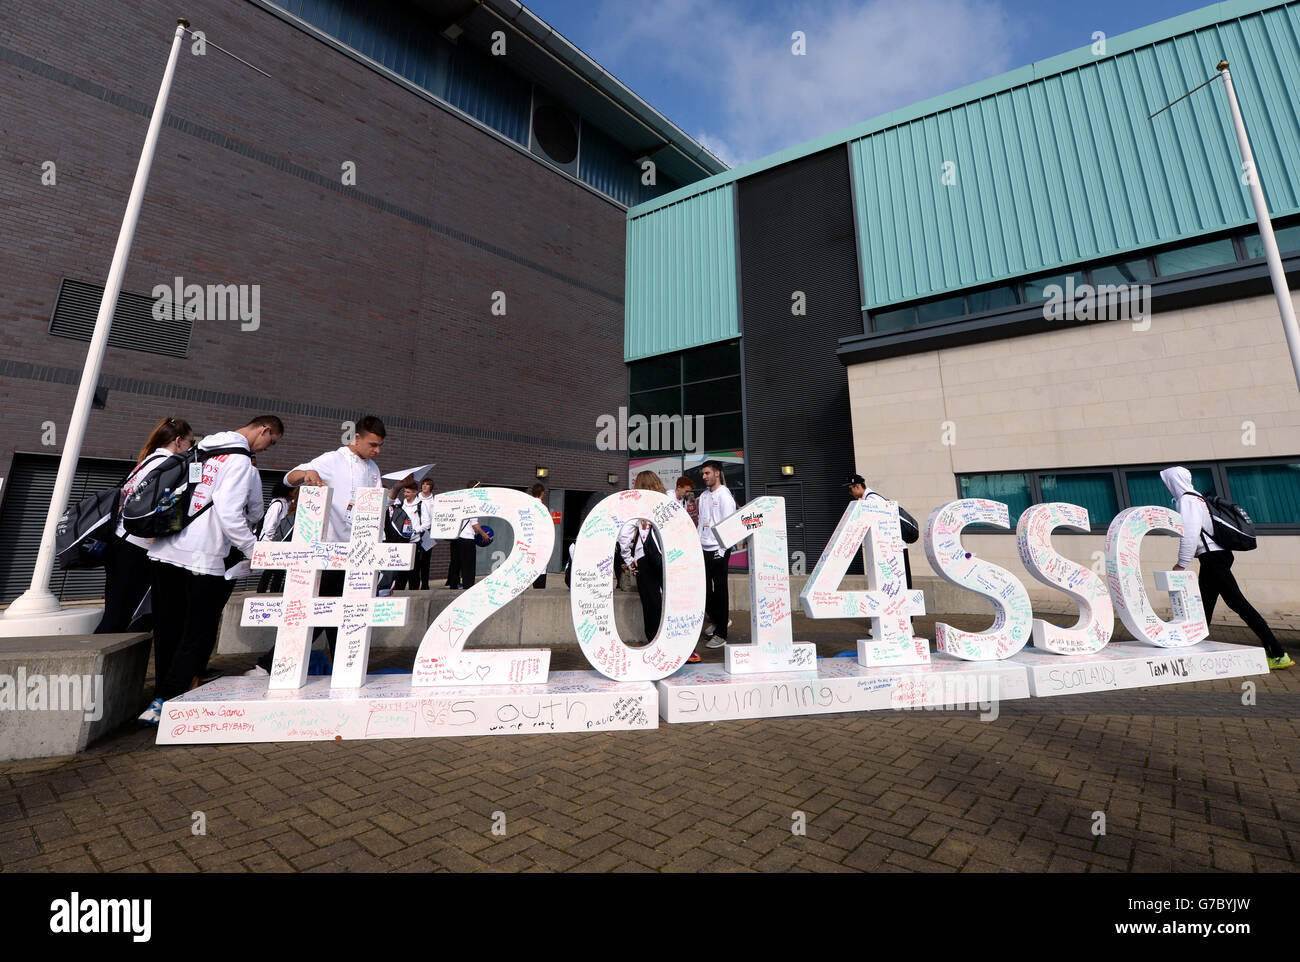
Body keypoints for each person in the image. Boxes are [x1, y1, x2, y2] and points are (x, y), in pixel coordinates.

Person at [139, 415, 282, 723]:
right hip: (203, 556)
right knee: (197, 632)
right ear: (265, 430)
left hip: (165, 549)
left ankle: (159, 698)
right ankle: (167, 702)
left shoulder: (202, 448)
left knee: (167, 629)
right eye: (272, 441)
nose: (269, 447)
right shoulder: (241, 462)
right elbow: (233, 512)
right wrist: (251, 548)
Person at [1162, 466, 1293, 670]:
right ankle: (1192, 644)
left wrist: (1181, 564)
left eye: (1165, 479)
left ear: (1173, 481)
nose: (1164, 484)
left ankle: (1277, 653)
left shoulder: (1187, 501)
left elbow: (1191, 534)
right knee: (1204, 605)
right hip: (1215, 557)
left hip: (1213, 558)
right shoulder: (1196, 498)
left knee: (1238, 604)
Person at [279, 415, 385, 664]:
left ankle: (343, 664)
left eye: (380, 445)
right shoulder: (332, 459)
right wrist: (308, 473)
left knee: (346, 614)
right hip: (328, 549)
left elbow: (377, 507)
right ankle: (274, 661)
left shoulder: (373, 469)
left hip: (358, 552)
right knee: (323, 611)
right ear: (356, 438)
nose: (377, 451)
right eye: (372, 444)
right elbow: (289, 477)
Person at [96, 417, 194, 634]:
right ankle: (95, 665)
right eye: (190, 442)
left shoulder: (147, 461)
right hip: (138, 545)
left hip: (119, 540)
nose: (191, 448)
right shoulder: (168, 465)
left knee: (117, 611)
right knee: (118, 617)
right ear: (178, 441)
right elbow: (167, 503)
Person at [619, 471, 670, 649]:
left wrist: (628, 559)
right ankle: (673, 638)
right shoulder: (666, 502)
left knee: (651, 602)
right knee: (670, 598)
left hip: (644, 558)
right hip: (667, 557)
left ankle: (654, 641)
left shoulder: (636, 505)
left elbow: (624, 536)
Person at [844, 473, 918, 588]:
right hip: (891, 548)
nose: (849, 493)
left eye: (850, 489)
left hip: (895, 548)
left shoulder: (872, 500)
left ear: (857, 486)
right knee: (898, 585)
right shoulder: (871, 499)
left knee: (903, 586)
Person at [697, 460, 737, 649]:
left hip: (719, 550)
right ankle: (719, 618)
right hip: (703, 548)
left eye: (707, 473)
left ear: (717, 473)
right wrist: (697, 544)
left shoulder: (725, 496)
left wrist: (722, 550)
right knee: (703, 591)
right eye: (703, 474)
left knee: (720, 592)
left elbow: (730, 526)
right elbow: (701, 523)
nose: (704, 477)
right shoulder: (704, 496)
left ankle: (721, 633)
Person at [445, 481, 490, 590]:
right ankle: (468, 587)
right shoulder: (472, 503)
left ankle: (453, 586)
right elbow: (474, 523)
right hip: (467, 539)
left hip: (456, 537)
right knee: (468, 566)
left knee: (455, 564)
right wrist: (484, 535)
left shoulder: (460, 502)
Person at [255, 481, 297, 594]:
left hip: (278, 542)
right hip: (271, 542)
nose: (295, 492)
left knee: (277, 572)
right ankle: (262, 593)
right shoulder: (278, 504)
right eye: (293, 490)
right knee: (270, 571)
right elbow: (269, 525)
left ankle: (273, 593)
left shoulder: (286, 504)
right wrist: (271, 540)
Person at [392, 481, 429, 590]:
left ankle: (414, 592)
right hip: (402, 541)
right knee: (401, 568)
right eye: (404, 492)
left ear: (415, 492)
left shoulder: (421, 505)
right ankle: (399, 590)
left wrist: (414, 531)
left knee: (414, 569)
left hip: (414, 541)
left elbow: (427, 523)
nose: (405, 494)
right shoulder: (402, 504)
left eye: (408, 492)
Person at [415, 477, 437, 590]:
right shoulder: (416, 498)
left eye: (427, 484)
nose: (424, 486)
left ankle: (425, 583)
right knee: (416, 559)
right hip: (416, 531)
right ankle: (415, 583)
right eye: (423, 484)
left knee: (426, 559)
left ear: (431, 487)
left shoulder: (435, 500)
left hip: (428, 532)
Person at [529, 482, 548, 588]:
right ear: (542, 493)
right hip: (540, 543)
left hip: (528, 543)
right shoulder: (542, 508)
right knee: (541, 568)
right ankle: (539, 589)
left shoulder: (528, 507)